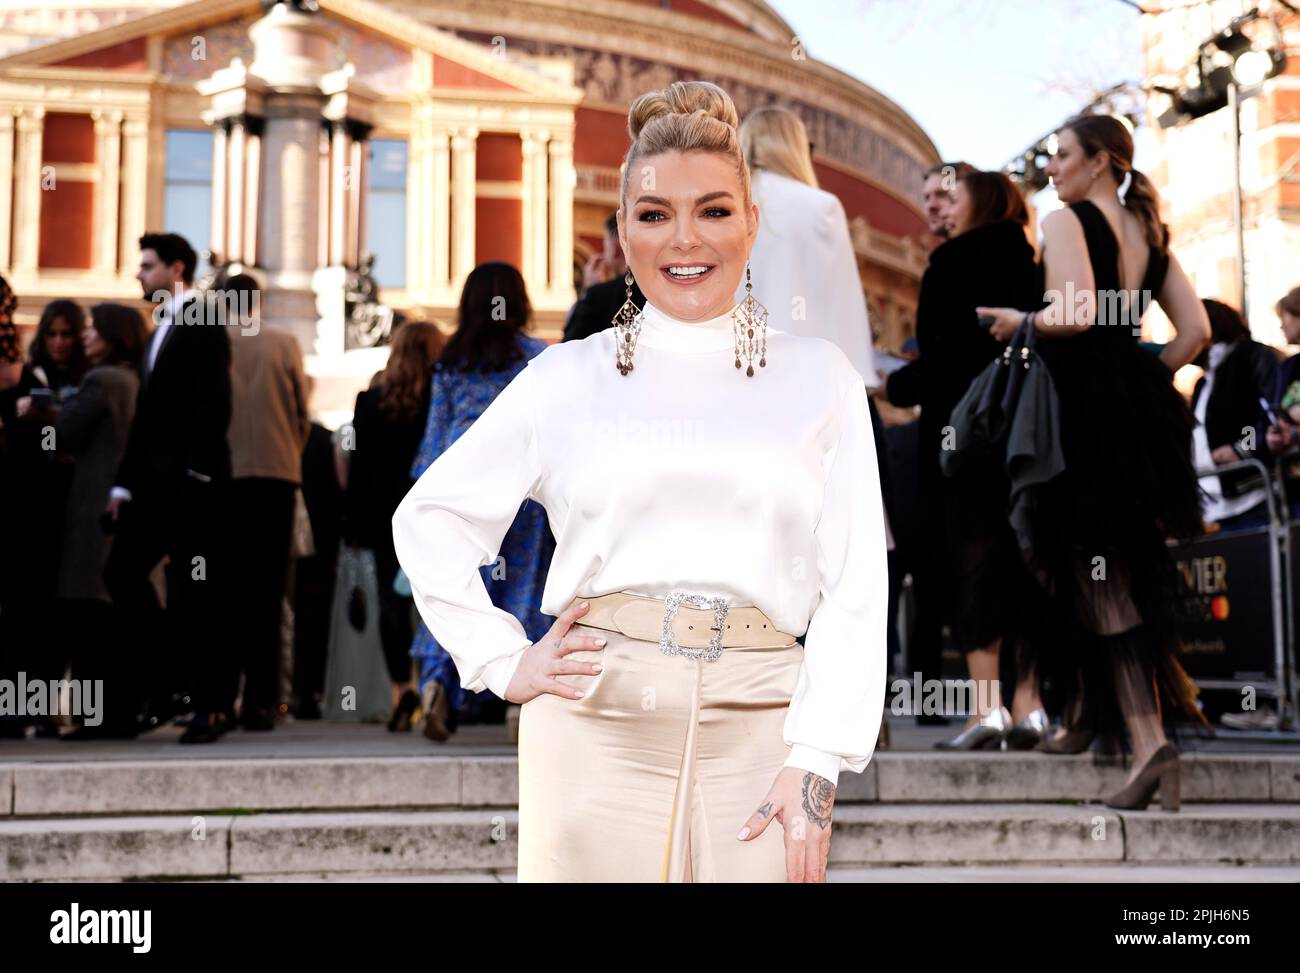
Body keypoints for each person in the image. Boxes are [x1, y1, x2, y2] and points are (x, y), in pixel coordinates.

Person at [394, 80, 887, 882]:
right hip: (592, 713)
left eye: (715, 210)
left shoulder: (820, 377)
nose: (684, 239)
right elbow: (431, 517)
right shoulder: (566, 377)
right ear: (623, 230)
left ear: (752, 222)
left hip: (768, 718)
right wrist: (498, 657)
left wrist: (820, 754)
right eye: (654, 214)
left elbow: (857, 579)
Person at [977, 113, 1212, 811]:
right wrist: (1141, 381)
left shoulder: (1063, 220)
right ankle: (1087, 712)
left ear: (1101, 163)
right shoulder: (1153, 237)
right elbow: (1194, 331)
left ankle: (1147, 746)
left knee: (1095, 577)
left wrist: (1018, 320)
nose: (1051, 169)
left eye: (1062, 156)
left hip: (1079, 416)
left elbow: (1074, 310)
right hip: (1136, 416)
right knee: (1097, 569)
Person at [881, 170, 1047, 749]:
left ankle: (985, 710)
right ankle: (1031, 703)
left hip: (962, 439)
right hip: (1024, 436)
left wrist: (893, 386)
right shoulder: (1032, 263)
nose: (945, 209)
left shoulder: (950, 265)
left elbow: (942, 361)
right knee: (1024, 558)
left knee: (971, 560)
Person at [404, 267, 552, 741]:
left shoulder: (451, 359)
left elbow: (431, 441)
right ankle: (520, 702)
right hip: (521, 491)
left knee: (456, 582)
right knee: (522, 586)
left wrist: (427, 497)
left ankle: (436, 681)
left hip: (458, 485)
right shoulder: (537, 359)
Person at [103, 232, 234, 743]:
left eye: (148, 265)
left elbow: (215, 402)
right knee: (122, 574)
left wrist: (195, 472)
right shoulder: (159, 328)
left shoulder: (201, 318)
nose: (139, 274)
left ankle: (207, 708)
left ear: (175, 269)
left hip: (191, 486)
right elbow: (148, 419)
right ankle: (161, 688)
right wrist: (122, 488)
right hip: (154, 488)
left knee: (197, 594)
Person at [344, 319, 446, 732]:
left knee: (391, 604)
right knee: (435, 601)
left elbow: (358, 470)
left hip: (382, 517)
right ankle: (431, 687)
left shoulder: (370, 401)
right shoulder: (440, 397)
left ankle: (399, 689)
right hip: (433, 516)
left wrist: (352, 524)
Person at [53, 304, 147, 737]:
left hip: (91, 511)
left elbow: (63, 431)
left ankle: (94, 717)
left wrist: (37, 412)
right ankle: (120, 714)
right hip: (119, 509)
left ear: (112, 335)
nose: (84, 337)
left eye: (93, 330)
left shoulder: (101, 380)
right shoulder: (136, 381)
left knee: (87, 621)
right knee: (113, 623)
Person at [222, 273, 311, 731]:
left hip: (227, 479)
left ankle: (222, 697)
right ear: (258, 301)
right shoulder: (284, 344)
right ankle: (263, 701)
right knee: (269, 592)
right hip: (278, 477)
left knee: (226, 591)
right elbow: (301, 414)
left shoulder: (214, 343)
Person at [736, 106, 876, 385]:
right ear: (795, 148)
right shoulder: (822, 207)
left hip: (730, 364)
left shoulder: (726, 202)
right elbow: (843, 304)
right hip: (803, 375)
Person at [0, 299, 87, 737]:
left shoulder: (87, 381)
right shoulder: (26, 381)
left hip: (73, 513)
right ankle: (16, 707)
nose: (58, 343)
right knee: (22, 611)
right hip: (30, 512)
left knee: (60, 615)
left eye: (66, 334)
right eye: (51, 334)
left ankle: (49, 707)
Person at [1190, 298, 1278, 532]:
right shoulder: (1204, 382)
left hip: (1252, 494)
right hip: (1214, 504)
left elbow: (1268, 412)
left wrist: (1242, 449)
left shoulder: (1250, 356)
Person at [563, 212, 644, 343]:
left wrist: (590, 291)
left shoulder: (600, 296)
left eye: (604, 243)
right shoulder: (661, 289)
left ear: (614, 247)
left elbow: (570, 345)